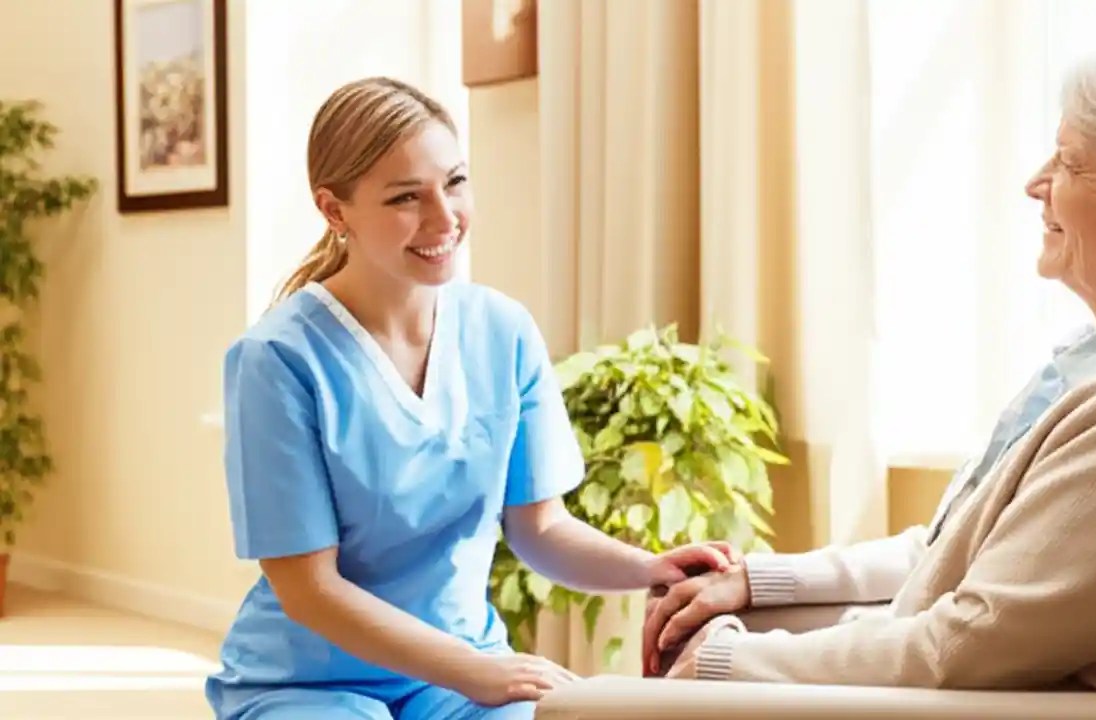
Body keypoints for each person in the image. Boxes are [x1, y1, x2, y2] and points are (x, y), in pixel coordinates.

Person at [644, 47, 1096, 692]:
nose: (1035, 184)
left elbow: (967, 643)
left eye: (1069, 162)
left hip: (990, 706)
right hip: (963, 691)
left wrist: (727, 661)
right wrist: (753, 580)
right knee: (686, 621)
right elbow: (949, 557)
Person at [204, 77, 737, 720]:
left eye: (455, 183)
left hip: (457, 675)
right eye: (406, 197)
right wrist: (479, 672)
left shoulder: (502, 331)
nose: (443, 218)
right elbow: (310, 591)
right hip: (308, 683)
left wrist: (650, 568)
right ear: (334, 209)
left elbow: (540, 529)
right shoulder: (278, 359)